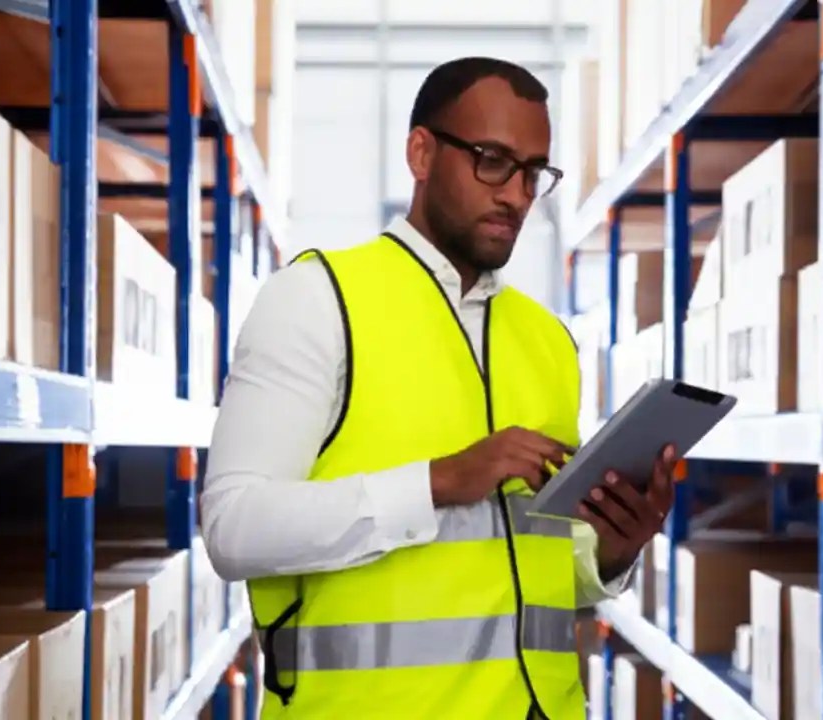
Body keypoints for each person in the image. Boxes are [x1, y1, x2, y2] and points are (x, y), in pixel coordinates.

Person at [201, 56, 678, 720]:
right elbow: (232, 528)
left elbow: (522, 575)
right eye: (491, 160)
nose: (515, 194)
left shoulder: (548, 343)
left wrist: (612, 551)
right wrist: (437, 481)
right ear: (421, 153)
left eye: (533, 171)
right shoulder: (317, 301)